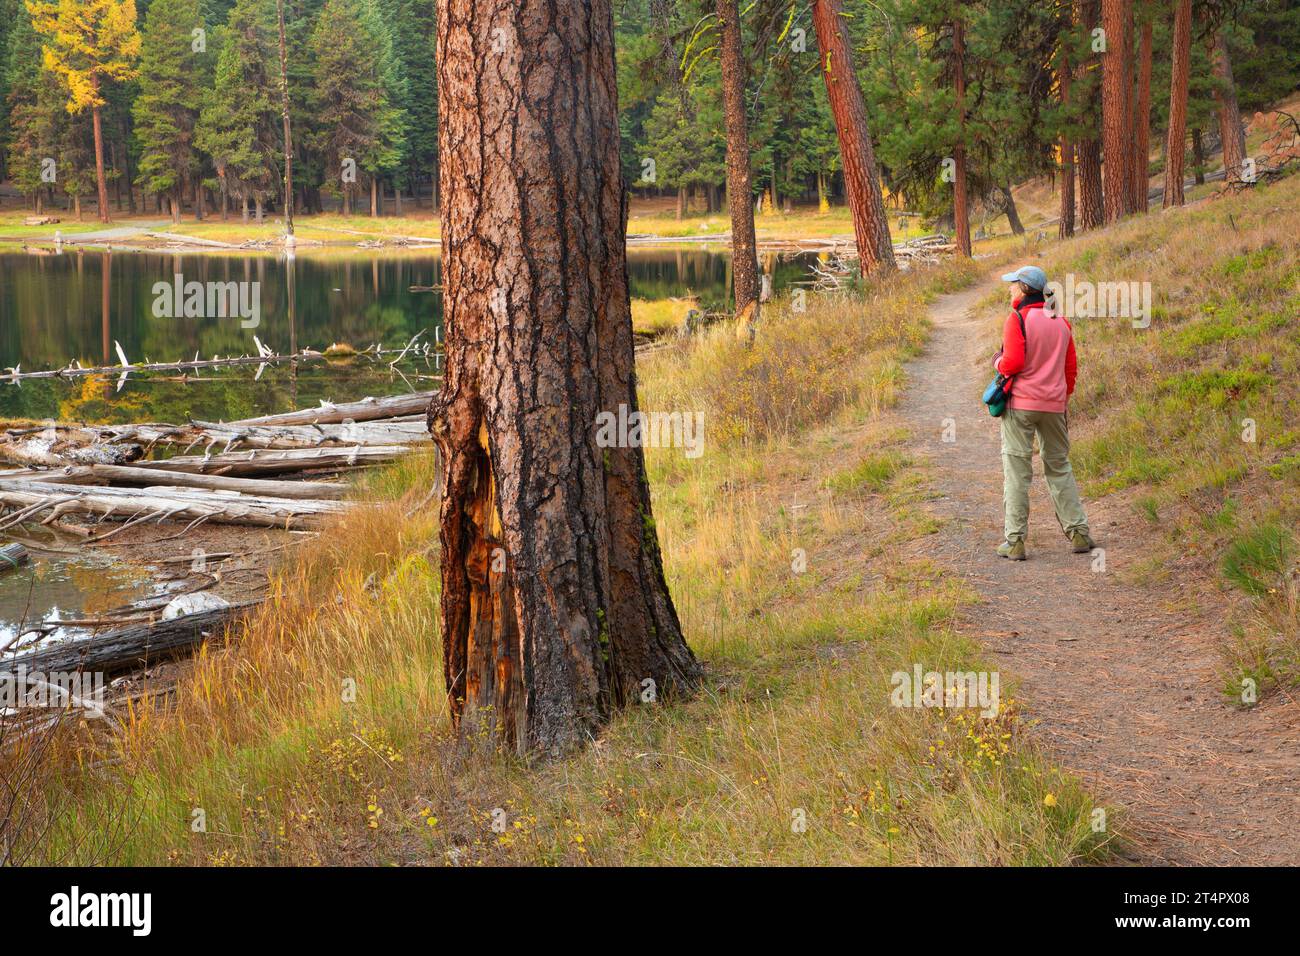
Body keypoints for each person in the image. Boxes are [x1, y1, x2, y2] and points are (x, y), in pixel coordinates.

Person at [993, 266, 1093, 561]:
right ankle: (1079, 533)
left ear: (1024, 288)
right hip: (1054, 406)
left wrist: (997, 361)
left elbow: (1012, 363)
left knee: (1017, 472)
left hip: (1021, 405)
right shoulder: (1061, 321)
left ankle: (1015, 542)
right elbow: (1070, 369)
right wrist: (1061, 398)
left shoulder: (1017, 319)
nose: (1009, 288)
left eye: (1013, 284)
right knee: (1059, 467)